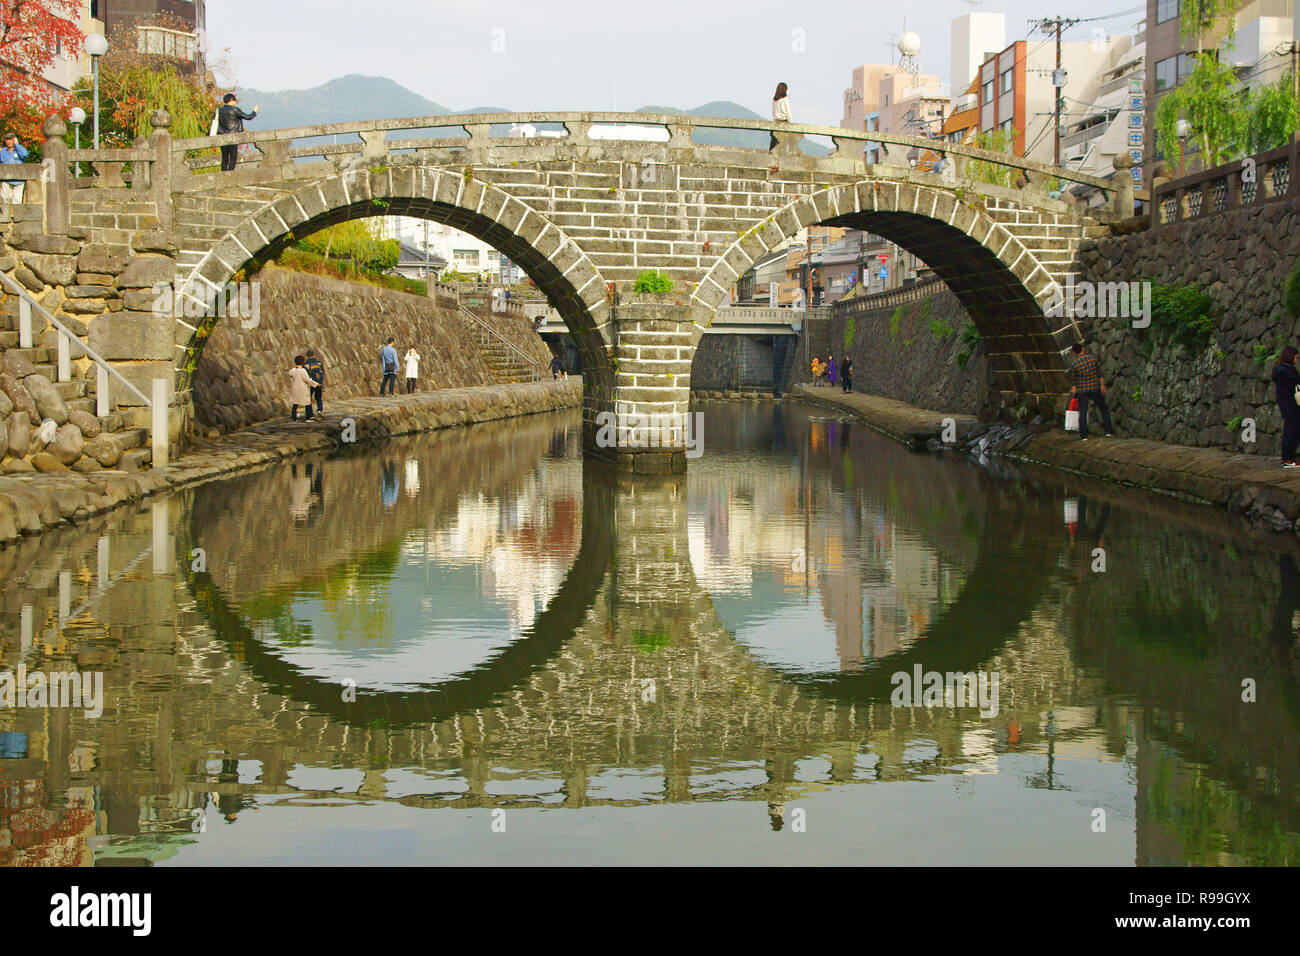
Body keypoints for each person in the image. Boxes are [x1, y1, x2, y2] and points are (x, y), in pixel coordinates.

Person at [1068, 342, 1113, 441]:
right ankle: (1109, 431)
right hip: (1095, 388)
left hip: (1082, 391)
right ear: (1083, 349)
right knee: (1103, 409)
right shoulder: (1093, 359)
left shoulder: (1074, 365)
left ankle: (1084, 435)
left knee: (1082, 412)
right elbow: (1100, 374)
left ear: (1074, 353)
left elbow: (1074, 382)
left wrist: (1074, 395)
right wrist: (1102, 386)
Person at [216, 93, 260, 173]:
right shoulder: (234, 109)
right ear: (231, 100)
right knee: (233, 157)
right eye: (235, 101)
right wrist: (255, 111)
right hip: (233, 136)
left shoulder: (219, 110)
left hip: (222, 137)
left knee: (225, 158)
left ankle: (223, 175)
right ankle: (230, 174)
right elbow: (248, 117)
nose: (235, 102)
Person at [1272, 345, 1300, 468]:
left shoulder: (1286, 369)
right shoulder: (1284, 371)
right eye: (1295, 357)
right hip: (1289, 404)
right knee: (1291, 430)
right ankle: (1287, 459)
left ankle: (1290, 456)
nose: (1296, 360)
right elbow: (1290, 387)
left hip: (1291, 404)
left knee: (1295, 430)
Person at [1, 132, 29, 205]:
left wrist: (17, 144)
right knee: (5, 199)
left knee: (17, 201)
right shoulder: (3, 151)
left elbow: (26, 154)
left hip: (18, 180)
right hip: (6, 179)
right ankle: (6, 216)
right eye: (7, 140)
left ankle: (15, 216)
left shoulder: (19, 150)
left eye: (11, 139)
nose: (9, 141)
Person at [288, 354, 314, 421]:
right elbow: (307, 380)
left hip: (294, 389)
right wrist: (315, 384)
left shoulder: (292, 371)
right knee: (307, 402)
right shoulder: (302, 371)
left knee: (295, 403)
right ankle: (308, 417)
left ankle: (294, 417)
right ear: (302, 362)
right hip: (302, 389)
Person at [303, 348, 326, 414]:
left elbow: (305, 375)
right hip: (318, 383)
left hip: (310, 383)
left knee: (308, 398)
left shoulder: (306, 364)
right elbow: (322, 373)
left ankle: (309, 413)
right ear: (313, 355)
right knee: (318, 398)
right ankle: (320, 410)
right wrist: (321, 383)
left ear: (307, 356)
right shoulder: (318, 363)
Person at [770, 82, 791, 151]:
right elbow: (788, 112)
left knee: (773, 146)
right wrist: (790, 124)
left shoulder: (774, 100)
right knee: (782, 146)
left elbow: (773, 113)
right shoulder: (785, 99)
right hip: (783, 122)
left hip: (775, 123)